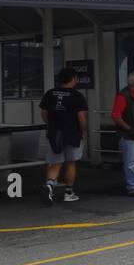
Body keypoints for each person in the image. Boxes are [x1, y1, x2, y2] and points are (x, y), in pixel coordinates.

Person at [39, 66, 88, 206]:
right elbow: (81, 118)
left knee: (55, 163)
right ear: (74, 79)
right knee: (71, 163)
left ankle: (49, 186)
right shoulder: (77, 96)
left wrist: (51, 124)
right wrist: (83, 131)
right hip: (72, 134)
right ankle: (68, 192)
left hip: (54, 133)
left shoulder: (50, 93)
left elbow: (43, 113)